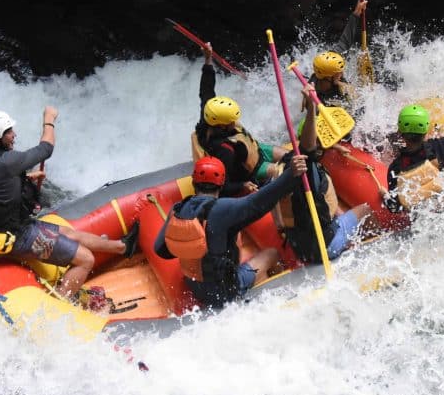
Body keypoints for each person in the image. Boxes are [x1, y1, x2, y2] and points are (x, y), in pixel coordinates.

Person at [0, 107, 139, 300]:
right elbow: (45, 149)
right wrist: (48, 119)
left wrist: (28, 178)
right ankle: (62, 304)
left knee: (69, 233)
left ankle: (122, 247)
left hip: (6, 228)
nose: (14, 135)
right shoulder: (8, 160)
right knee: (85, 260)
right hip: (19, 237)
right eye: (8, 132)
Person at [154, 153, 308, 310]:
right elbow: (257, 204)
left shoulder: (178, 208)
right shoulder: (221, 209)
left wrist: (191, 245)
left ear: (194, 183)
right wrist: (290, 174)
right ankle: (260, 289)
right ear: (221, 185)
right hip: (225, 293)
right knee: (272, 254)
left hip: (196, 288)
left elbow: (161, 250)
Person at [273, 88, 373, 263]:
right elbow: (308, 148)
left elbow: (280, 223)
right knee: (364, 209)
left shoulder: (281, 167)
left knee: (334, 215)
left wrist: (334, 147)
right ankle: (370, 246)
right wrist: (311, 108)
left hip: (300, 250)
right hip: (325, 247)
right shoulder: (307, 170)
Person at [193, 42, 287, 195]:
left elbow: (206, 90)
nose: (234, 122)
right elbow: (224, 186)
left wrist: (208, 60)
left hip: (257, 150)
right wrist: (242, 185)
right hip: (253, 168)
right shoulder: (224, 151)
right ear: (222, 125)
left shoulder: (208, 116)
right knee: (283, 172)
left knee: (290, 156)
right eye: (231, 120)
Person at [307, 0, 367, 110]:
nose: (342, 72)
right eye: (339, 72)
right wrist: (307, 99)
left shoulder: (333, 58)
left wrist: (357, 12)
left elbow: (345, 40)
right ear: (329, 76)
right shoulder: (312, 89)